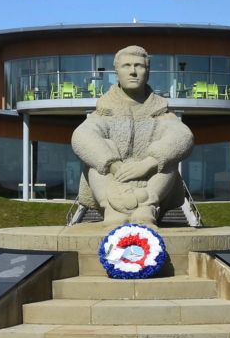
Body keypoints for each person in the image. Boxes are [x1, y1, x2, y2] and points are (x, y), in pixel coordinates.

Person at [71, 45, 194, 226]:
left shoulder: (160, 111)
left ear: (148, 72)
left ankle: (146, 208)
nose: (133, 72)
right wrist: (114, 165)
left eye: (139, 66)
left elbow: (182, 136)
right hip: (113, 183)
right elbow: (82, 136)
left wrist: (148, 164)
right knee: (98, 157)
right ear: (116, 72)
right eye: (126, 66)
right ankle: (113, 209)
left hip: (151, 185)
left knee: (167, 157)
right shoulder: (105, 110)